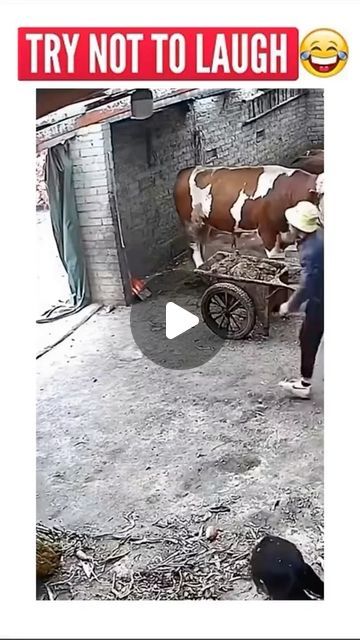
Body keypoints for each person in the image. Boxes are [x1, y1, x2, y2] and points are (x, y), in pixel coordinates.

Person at [279, 201, 324, 399]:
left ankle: (304, 384)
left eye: (291, 224)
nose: (288, 226)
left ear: (298, 228)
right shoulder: (318, 236)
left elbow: (307, 285)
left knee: (308, 337)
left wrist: (289, 305)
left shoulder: (311, 251)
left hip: (322, 299)